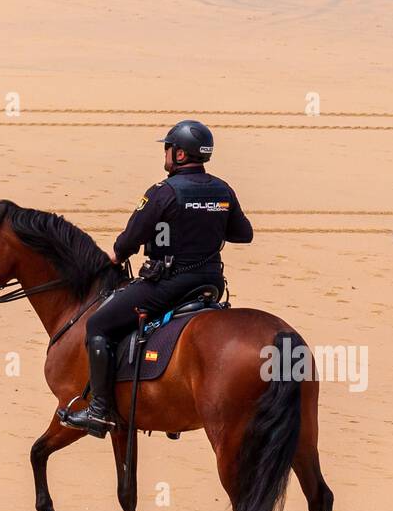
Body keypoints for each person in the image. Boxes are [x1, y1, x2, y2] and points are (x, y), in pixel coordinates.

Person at [61, 120, 253, 437]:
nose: (165, 154)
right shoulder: (222, 189)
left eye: (167, 148)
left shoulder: (163, 193)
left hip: (168, 285)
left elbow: (130, 240)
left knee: (98, 325)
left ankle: (98, 410)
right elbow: (243, 234)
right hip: (210, 284)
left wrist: (116, 256)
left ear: (178, 154)